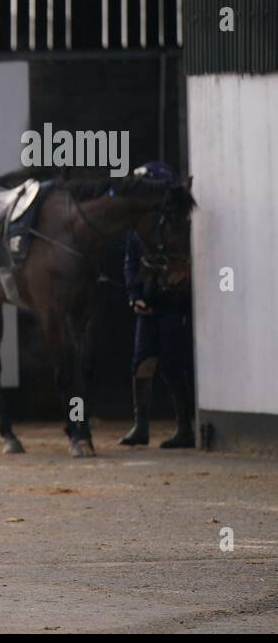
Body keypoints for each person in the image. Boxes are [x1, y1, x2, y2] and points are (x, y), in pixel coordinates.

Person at [118, 161, 194, 449]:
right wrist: (133, 294)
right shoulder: (139, 225)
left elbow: (181, 259)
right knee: (141, 363)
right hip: (148, 298)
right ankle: (141, 426)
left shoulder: (176, 219)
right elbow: (130, 260)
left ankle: (185, 427)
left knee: (173, 363)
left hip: (173, 300)